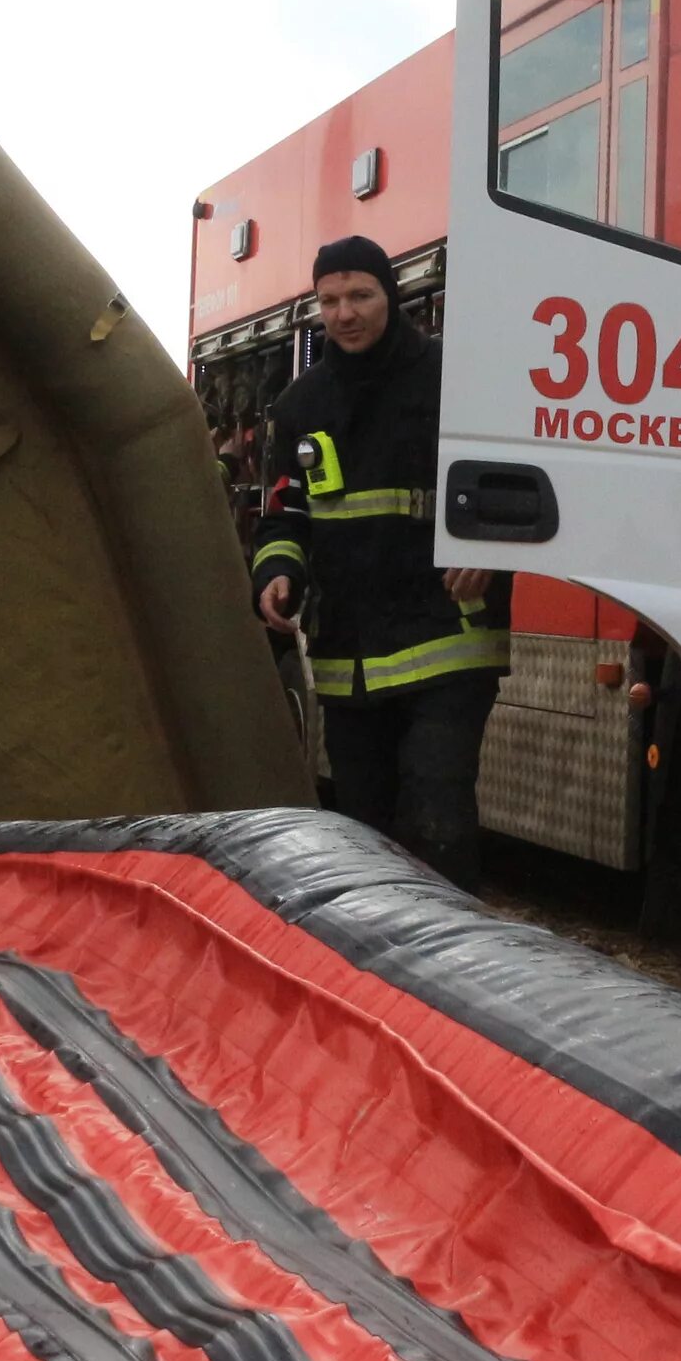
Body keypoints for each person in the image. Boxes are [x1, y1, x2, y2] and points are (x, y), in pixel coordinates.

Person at [251, 235, 508, 887]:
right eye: (329, 300)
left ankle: (452, 972)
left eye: (360, 295)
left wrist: (486, 548)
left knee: (435, 816)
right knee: (364, 833)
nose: (344, 313)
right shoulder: (299, 407)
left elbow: (512, 482)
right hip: (349, 661)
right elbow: (285, 513)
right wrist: (278, 572)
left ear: (389, 296)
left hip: (447, 641)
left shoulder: (459, 381)